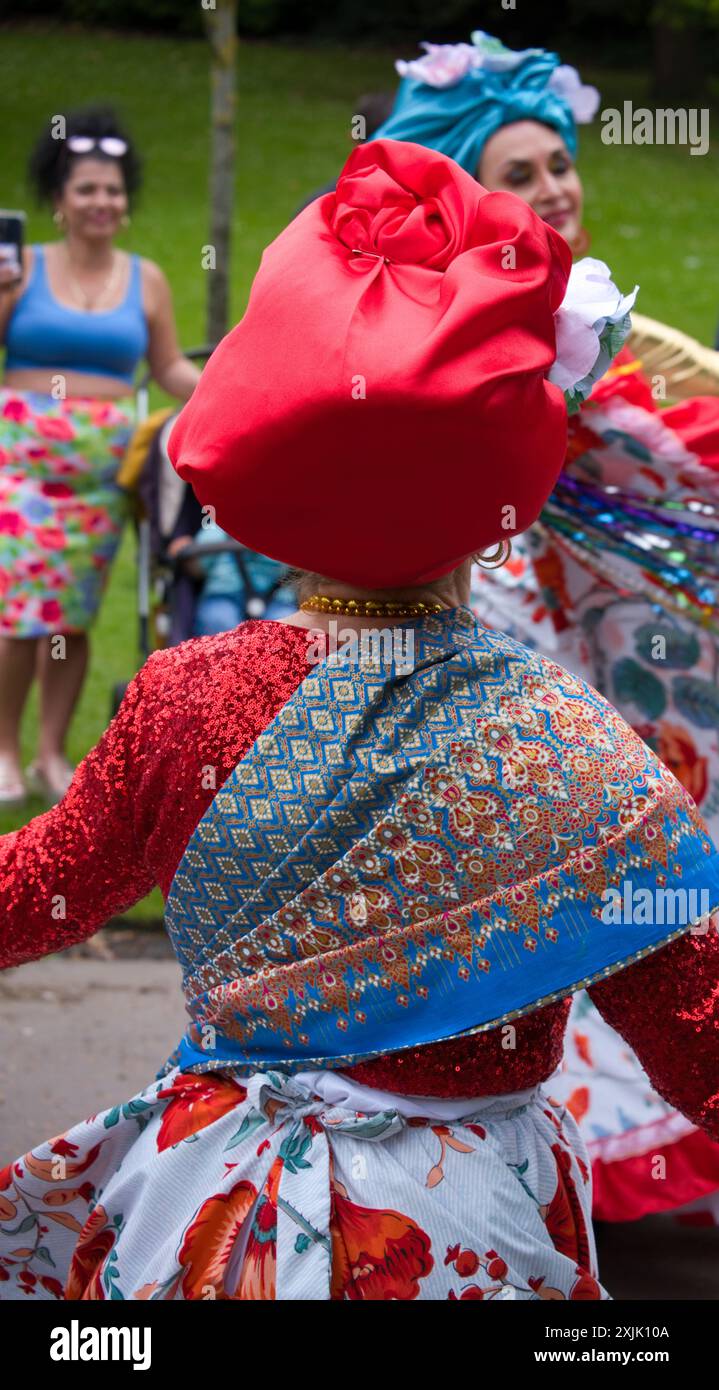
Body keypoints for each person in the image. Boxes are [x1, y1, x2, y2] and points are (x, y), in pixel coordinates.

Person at [0, 139, 717, 1302]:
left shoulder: (180, 702)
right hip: (470, 1237)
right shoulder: (575, 754)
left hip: (205, 1221)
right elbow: (699, 1036)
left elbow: (38, 890)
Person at [368, 30, 719, 1229]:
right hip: (474, 618)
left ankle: (579, 1149)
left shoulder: (582, 304)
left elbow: (647, 442)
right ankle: (481, 1156)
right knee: (523, 862)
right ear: (463, 190)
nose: (551, 189)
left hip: (579, 623)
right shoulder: (437, 316)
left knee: (629, 851)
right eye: (517, 175)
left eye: (558, 164)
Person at [0, 105, 201, 807]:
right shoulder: (21, 267)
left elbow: (170, 366)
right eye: (86, 188)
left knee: (69, 618)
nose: (101, 202)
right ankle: (5, 749)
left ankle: (52, 752)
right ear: (57, 201)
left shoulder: (146, 279)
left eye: (113, 190)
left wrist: (228, 391)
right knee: (20, 613)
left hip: (100, 480)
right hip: (21, 469)